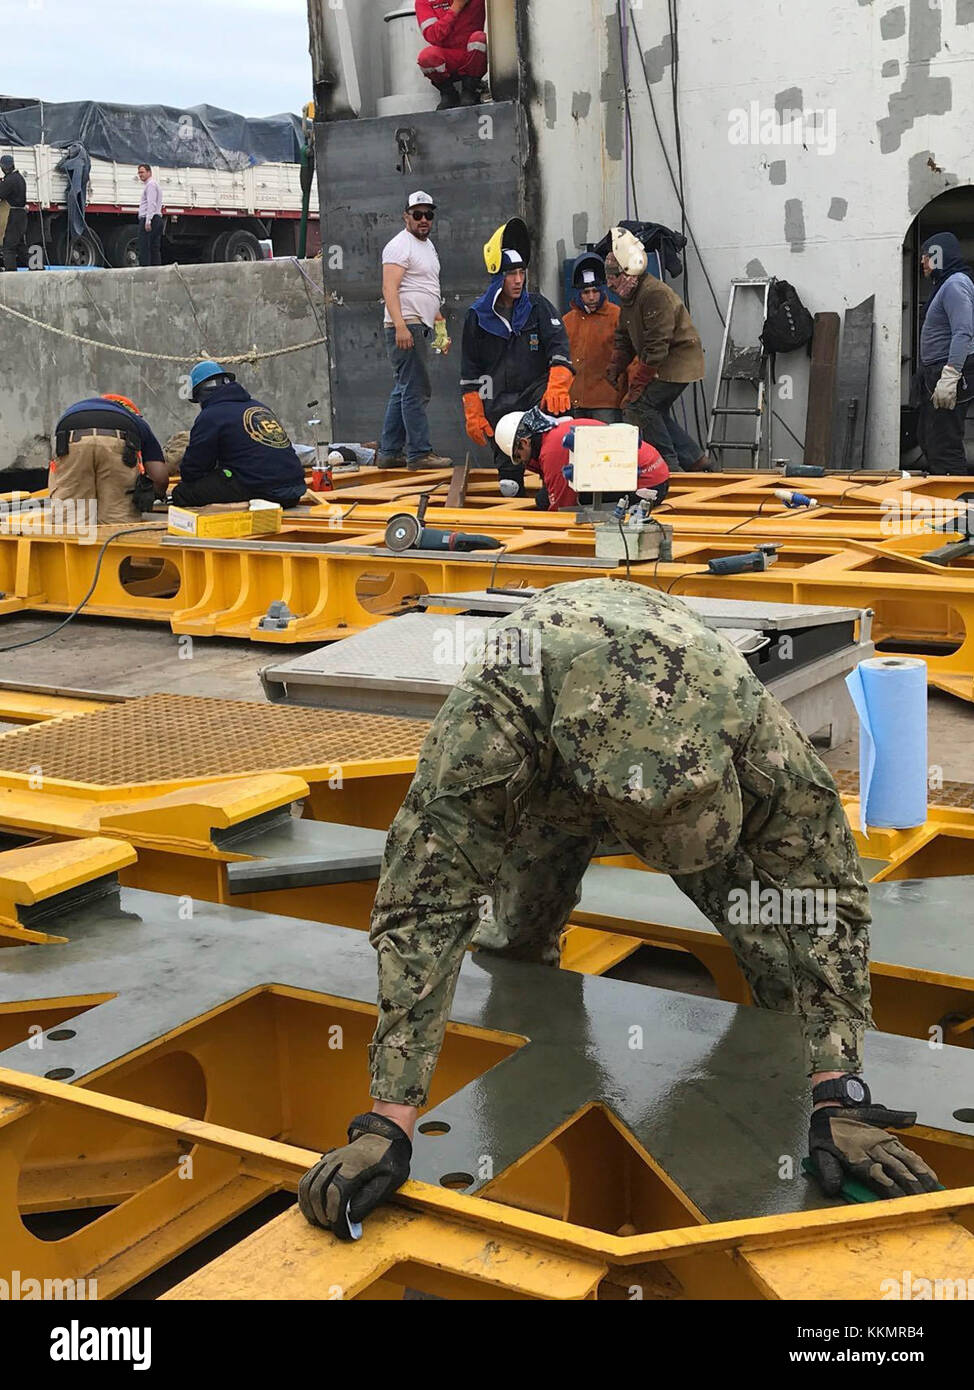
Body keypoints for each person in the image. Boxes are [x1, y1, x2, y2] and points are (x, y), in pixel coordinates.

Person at [297, 579, 940, 1239]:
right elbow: (423, 909)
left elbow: (825, 898)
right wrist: (388, 1120)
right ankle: (533, 1075)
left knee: (771, 939)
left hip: (657, 702)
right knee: (515, 936)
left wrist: (842, 1091)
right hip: (550, 758)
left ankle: (787, 1091)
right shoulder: (488, 727)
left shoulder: (750, 730)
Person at [460, 218, 574, 494]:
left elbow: (560, 346)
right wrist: (473, 409)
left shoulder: (538, 307)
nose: (519, 280)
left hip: (536, 397)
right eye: (511, 273)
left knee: (555, 454)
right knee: (509, 486)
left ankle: (555, 490)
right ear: (498, 276)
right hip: (498, 406)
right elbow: (469, 368)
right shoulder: (477, 317)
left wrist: (558, 384)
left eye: (521, 272)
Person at [604, 226, 706, 470]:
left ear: (626, 272)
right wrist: (617, 364)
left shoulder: (653, 294)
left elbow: (657, 344)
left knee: (640, 407)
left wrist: (638, 384)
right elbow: (624, 335)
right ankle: (695, 459)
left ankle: (669, 465)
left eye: (612, 276)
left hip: (677, 363)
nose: (608, 283)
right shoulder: (631, 293)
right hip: (664, 360)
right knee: (654, 409)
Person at [378, 191, 452, 470]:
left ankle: (390, 451)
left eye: (428, 215)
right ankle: (419, 452)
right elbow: (389, 288)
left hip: (418, 324)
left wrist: (440, 330)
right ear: (405, 216)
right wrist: (400, 326)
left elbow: (429, 291)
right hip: (406, 324)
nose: (423, 220)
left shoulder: (428, 247)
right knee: (416, 389)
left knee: (404, 388)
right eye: (417, 214)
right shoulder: (399, 246)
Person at [170, 361, 306, 508]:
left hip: (265, 492)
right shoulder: (259, 407)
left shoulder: (211, 415)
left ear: (200, 394)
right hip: (294, 491)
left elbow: (193, 470)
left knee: (183, 493)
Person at [494, 405, 669, 512]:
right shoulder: (557, 432)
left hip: (646, 488)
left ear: (524, 442)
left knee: (547, 500)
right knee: (546, 496)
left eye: (518, 456)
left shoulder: (552, 449)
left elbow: (563, 507)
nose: (523, 462)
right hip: (652, 477)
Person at [50, 393, 169, 524]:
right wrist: (155, 495)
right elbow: (160, 477)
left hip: (70, 436)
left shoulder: (77, 408)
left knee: (71, 519)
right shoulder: (136, 421)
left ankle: (70, 541)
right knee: (117, 519)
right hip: (119, 437)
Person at [916, 231, 974, 476]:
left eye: (926, 256)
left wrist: (950, 374)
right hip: (936, 371)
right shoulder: (945, 285)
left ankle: (958, 509)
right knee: (928, 437)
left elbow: (963, 331)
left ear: (939, 256)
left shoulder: (955, 284)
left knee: (944, 444)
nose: (922, 262)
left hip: (950, 372)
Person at [562, 252, 625, 423]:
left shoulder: (616, 316)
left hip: (607, 402)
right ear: (578, 293)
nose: (591, 297)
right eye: (586, 292)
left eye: (595, 291)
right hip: (575, 402)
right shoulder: (567, 321)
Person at [416, 0, 488, 110]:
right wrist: (456, 7)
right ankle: (448, 94)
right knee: (427, 57)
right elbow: (432, 35)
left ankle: (470, 91)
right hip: (449, 58)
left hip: (472, 56)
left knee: (479, 39)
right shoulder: (424, 1)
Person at [0, 154, 29, 272]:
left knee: (8, 246)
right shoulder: (19, 178)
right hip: (21, 215)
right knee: (20, 245)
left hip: (13, 215)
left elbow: (1, 194)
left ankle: (10, 273)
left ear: (3, 167)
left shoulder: (10, 180)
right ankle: (37, 267)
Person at [136, 164, 163, 267]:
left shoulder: (151, 185)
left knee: (145, 247)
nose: (140, 175)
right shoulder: (153, 184)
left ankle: (146, 271)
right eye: (139, 173)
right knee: (154, 247)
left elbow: (151, 203)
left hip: (151, 219)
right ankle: (155, 270)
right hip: (155, 218)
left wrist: (148, 220)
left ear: (149, 172)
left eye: (142, 172)